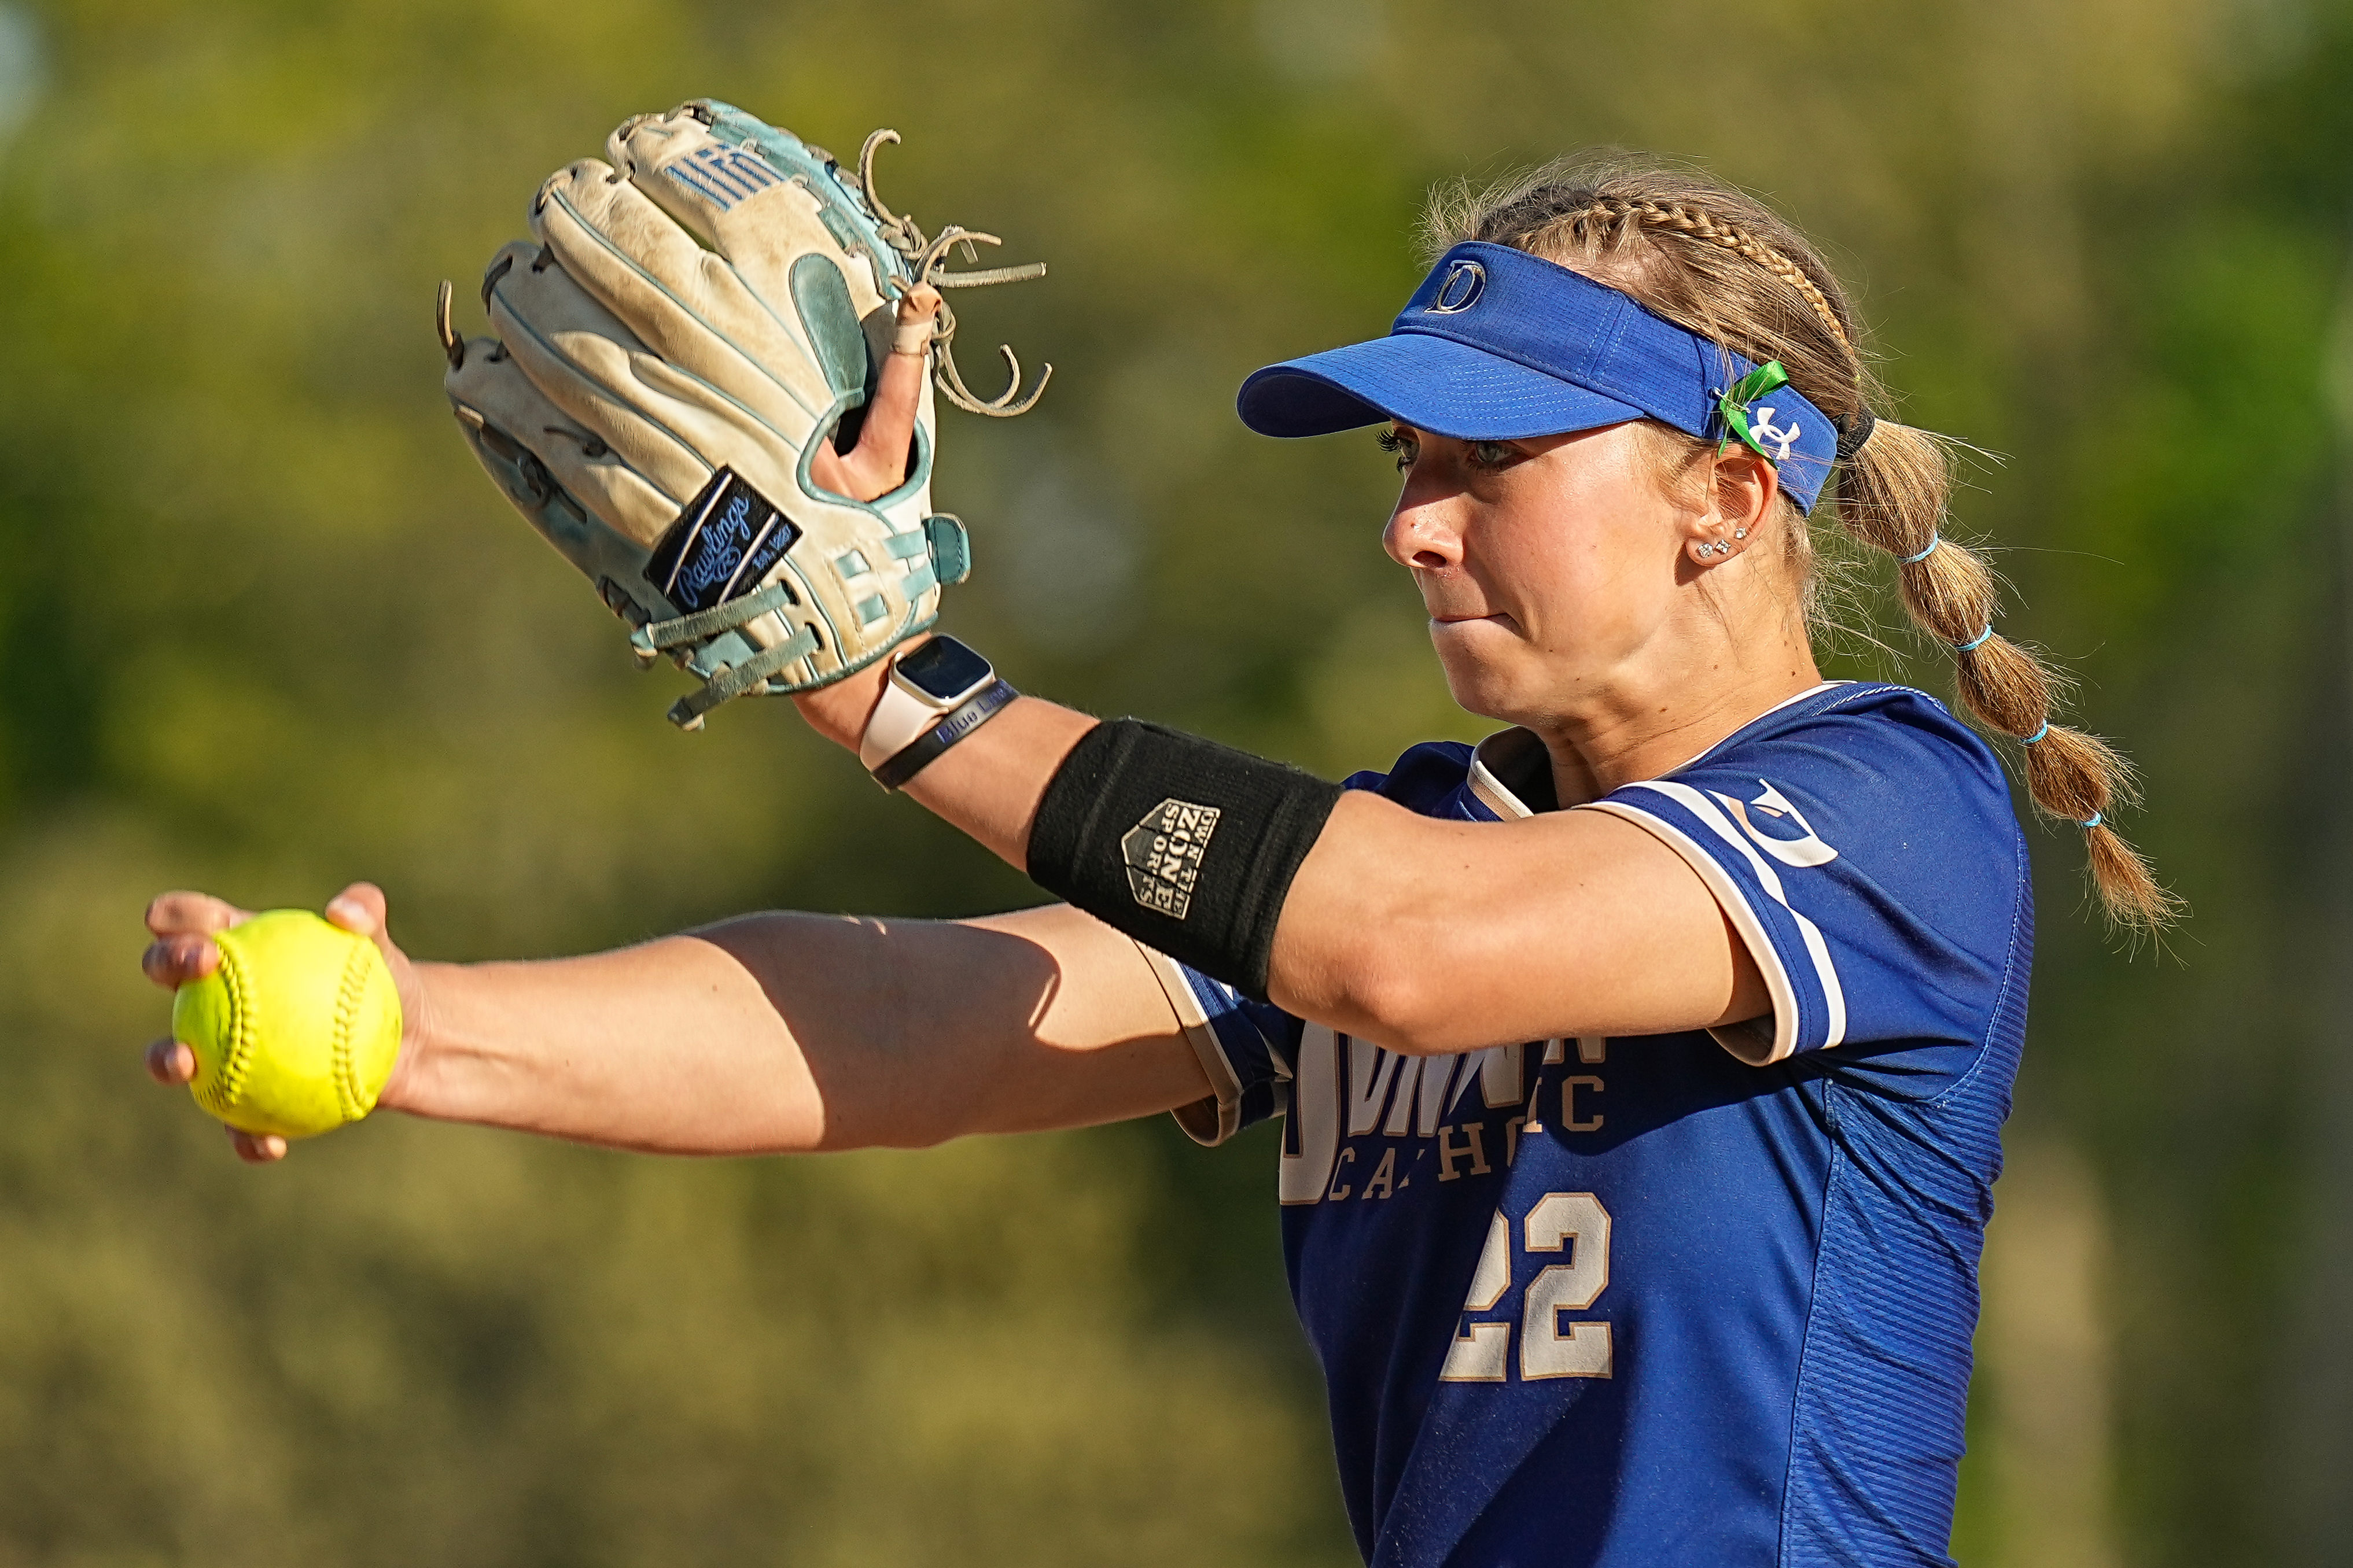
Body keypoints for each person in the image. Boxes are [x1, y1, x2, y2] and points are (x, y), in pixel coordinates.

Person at [141, 156, 2173, 1567]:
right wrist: (432, 1033)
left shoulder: (1885, 806)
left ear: (1726, 495)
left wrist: (884, 683)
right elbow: (927, 1018)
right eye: (1407, 466)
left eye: (1489, 465)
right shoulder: (1422, 834)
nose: (1414, 524)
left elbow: (1406, 956)